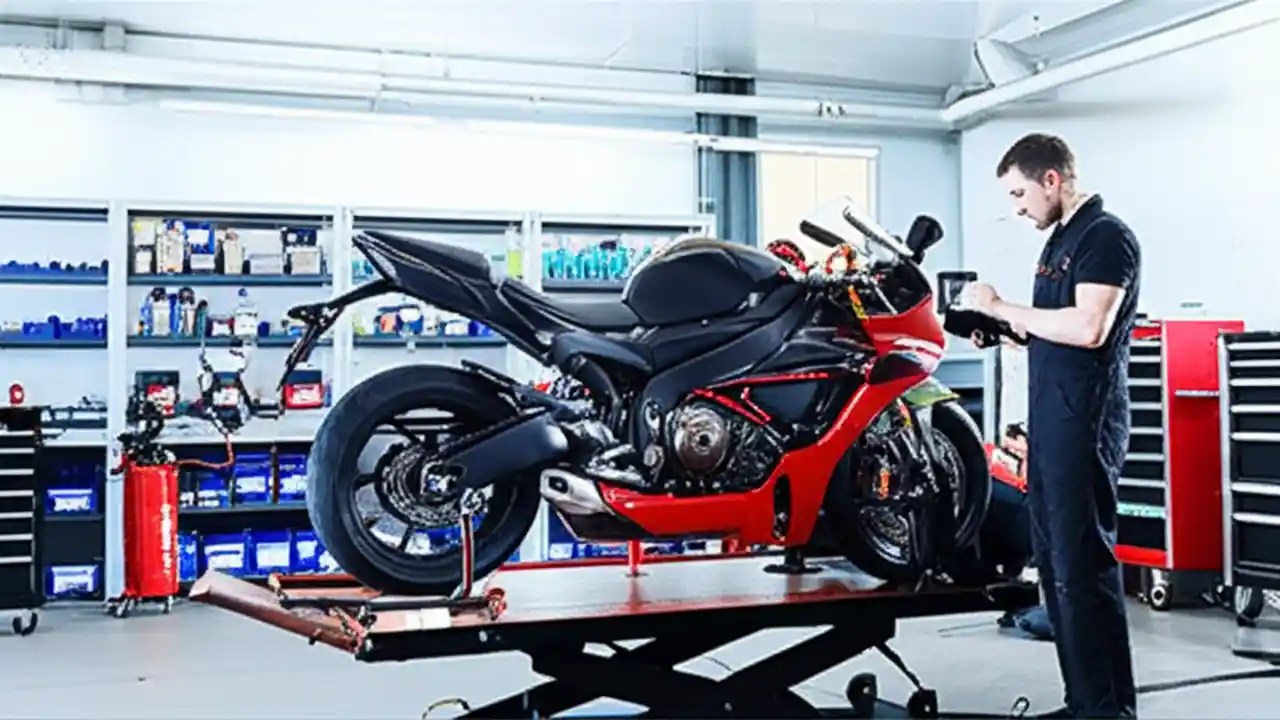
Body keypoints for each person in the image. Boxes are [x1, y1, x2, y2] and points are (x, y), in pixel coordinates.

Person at [963, 133, 1139, 718]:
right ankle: (1085, 702)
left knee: (1082, 566)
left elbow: (1089, 328)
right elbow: (1054, 326)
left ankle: (1106, 709)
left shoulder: (1105, 236)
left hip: (1085, 425)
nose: (1017, 207)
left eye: (1020, 194)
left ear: (1051, 180)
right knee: (1058, 566)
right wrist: (1002, 329)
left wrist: (1001, 306)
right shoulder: (1061, 240)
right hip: (1054, 421)